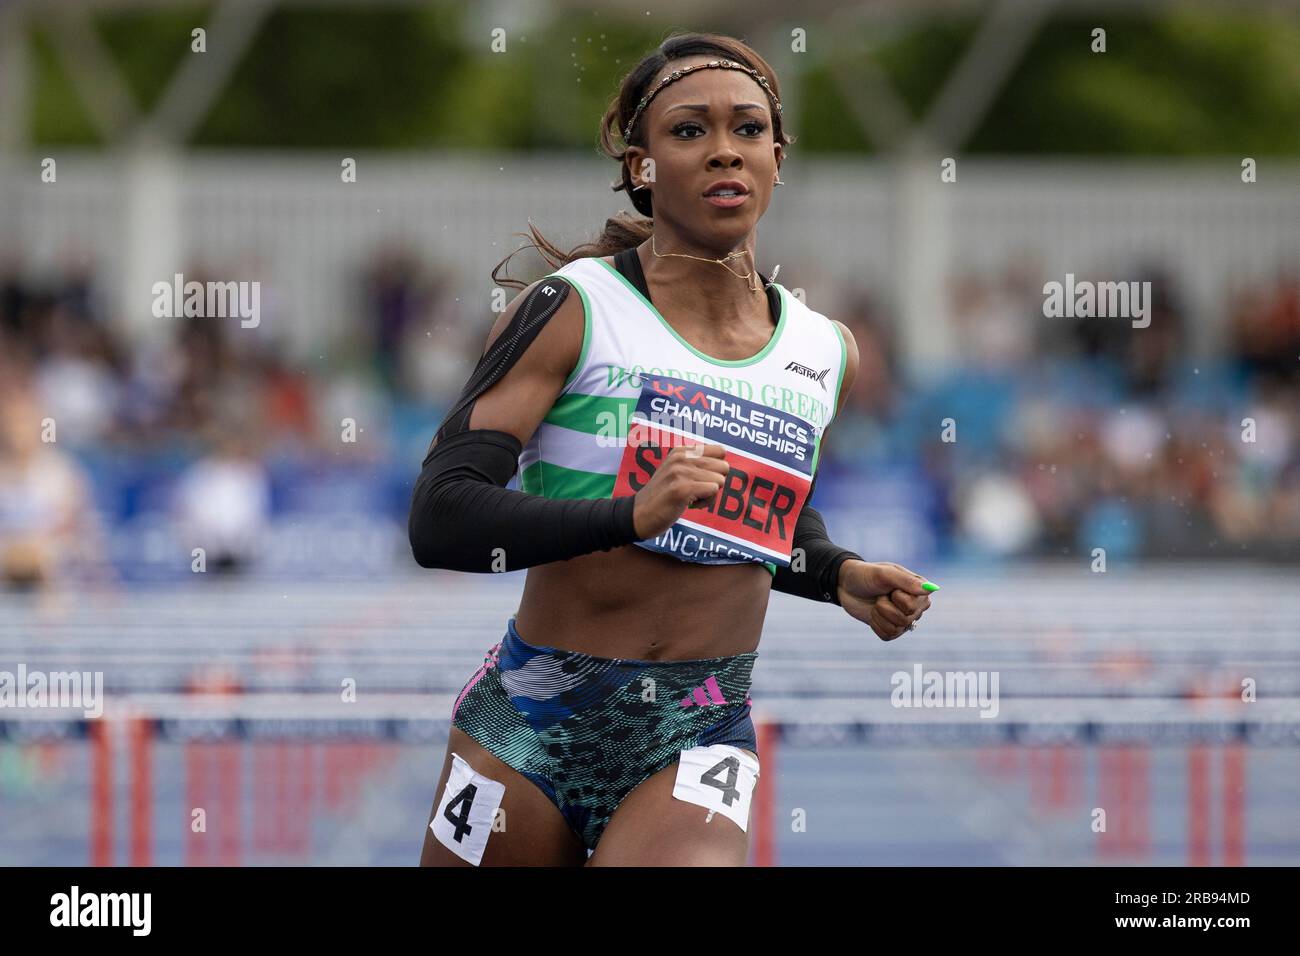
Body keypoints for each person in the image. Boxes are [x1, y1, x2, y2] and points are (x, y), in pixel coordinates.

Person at [409, 32, 935, 867]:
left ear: (777, 157)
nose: (724, 150)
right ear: (640, 167)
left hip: (699, 726)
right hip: (531, 713)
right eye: (690, 131)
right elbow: (439, 518)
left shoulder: (825, 350)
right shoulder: (576, 308)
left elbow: (756, 519)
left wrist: (835, 573)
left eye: (749, 129)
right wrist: (627, 516)